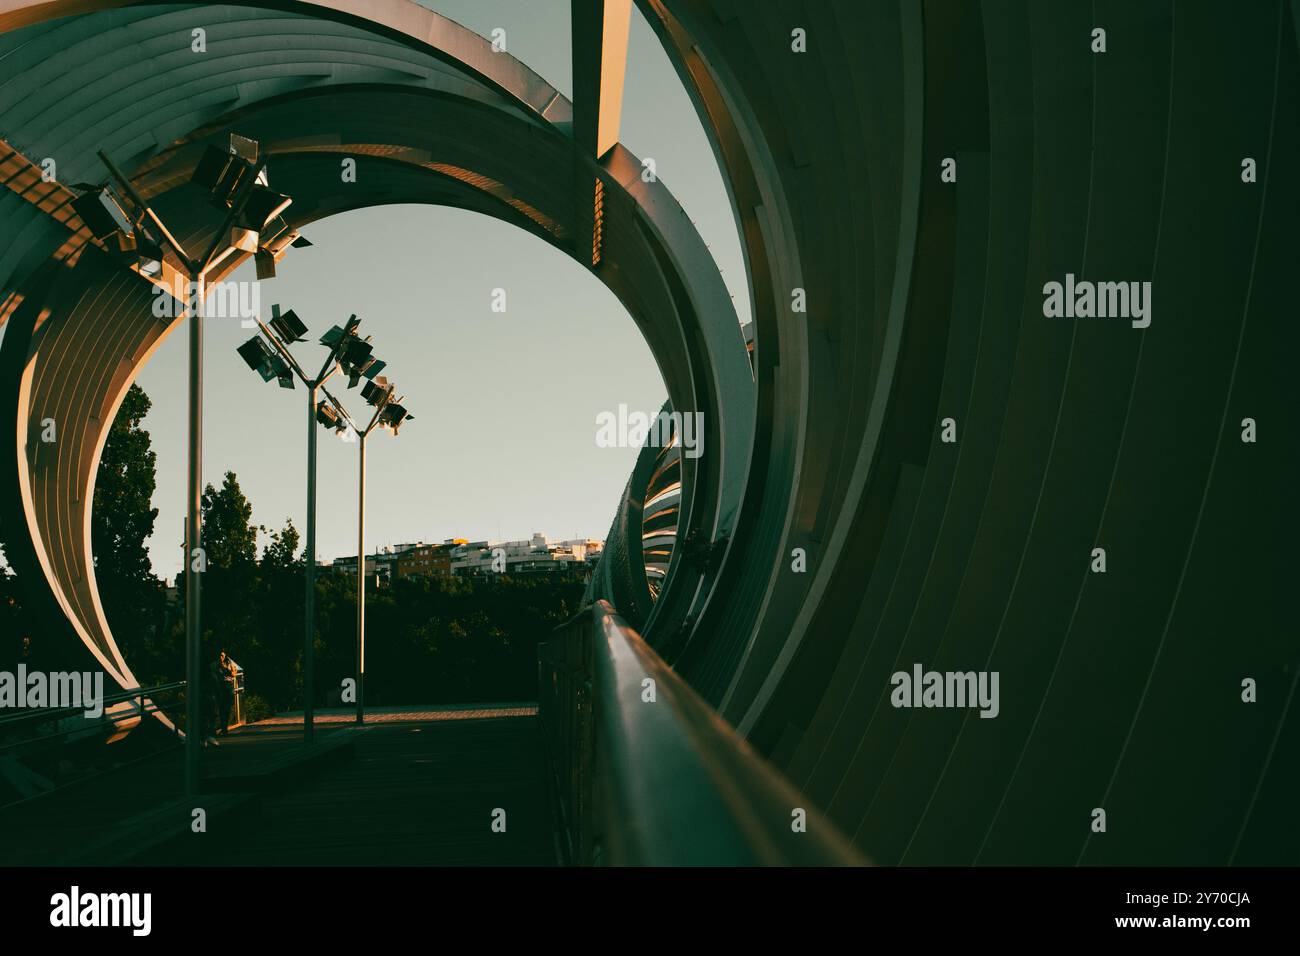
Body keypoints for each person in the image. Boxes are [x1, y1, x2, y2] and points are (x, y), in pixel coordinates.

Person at [211, 649, 236, 738]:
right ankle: (221, 729)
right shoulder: (214, 665)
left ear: (225, 656)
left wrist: (229, 667)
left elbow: (234, 674)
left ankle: (224, 729)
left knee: (227, 709)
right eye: (219, 655)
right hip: (220, 689)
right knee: (221, 710)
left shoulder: (228, 664)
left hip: (228, 688)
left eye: (222, 655)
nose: (220, 657)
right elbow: (215, 677)